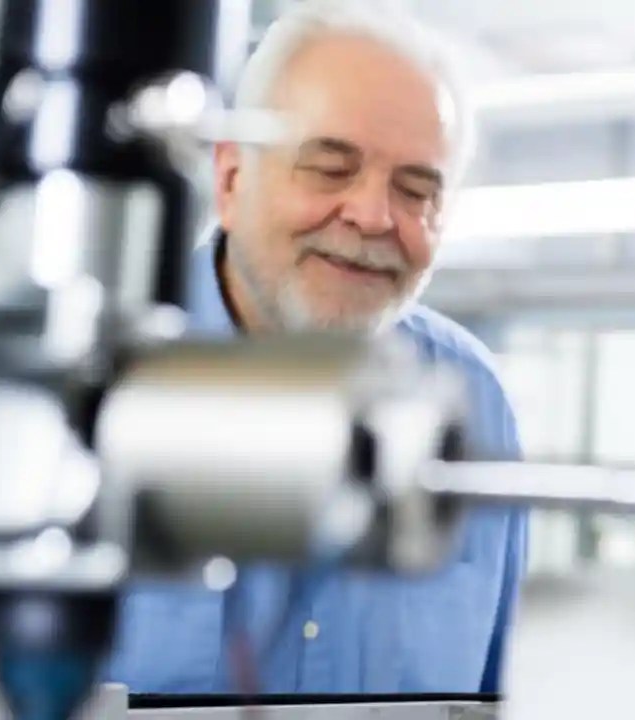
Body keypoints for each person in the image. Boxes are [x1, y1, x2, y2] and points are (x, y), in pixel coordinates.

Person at [104, 0, 527, 693]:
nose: (371, 215)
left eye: (417, 190)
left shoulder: (473, 401)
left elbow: (491, 693)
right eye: (330, 168)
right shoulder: (88, 377)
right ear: (233, 180)